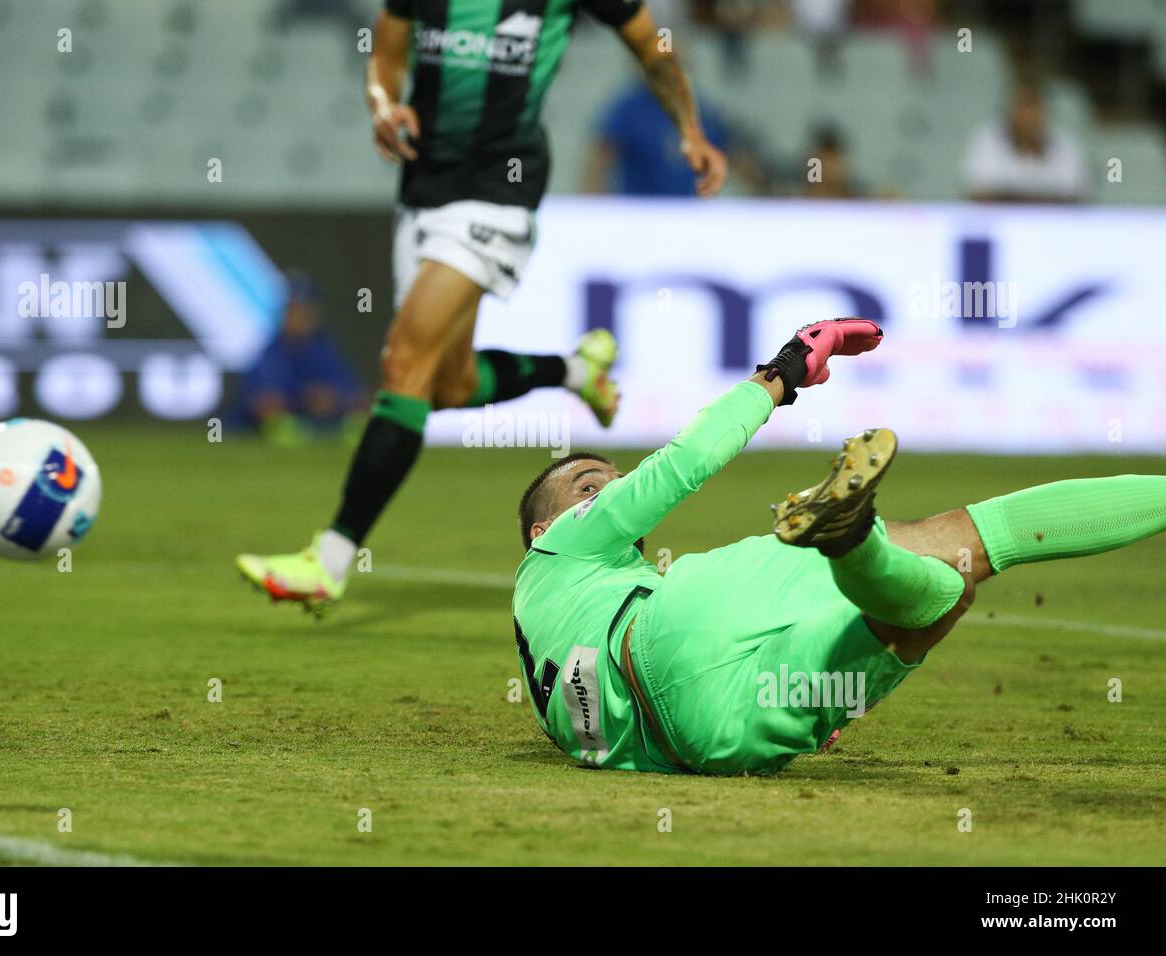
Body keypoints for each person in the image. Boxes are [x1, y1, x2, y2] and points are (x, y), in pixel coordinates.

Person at [237, 0, 729, 613]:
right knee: (444, 383)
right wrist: (383, 105)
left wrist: (688, 128)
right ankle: (579, 372)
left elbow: (652, 49)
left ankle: (329, 561)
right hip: (422, 190)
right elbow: (387, 53)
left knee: (403, 365)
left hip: (498, 190)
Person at [512, 318, 1166, 774]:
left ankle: (855, 545)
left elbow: (587, 723)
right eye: (587, 483)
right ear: (542, 530)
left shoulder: (546, 638)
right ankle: (851, 542)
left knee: (940, 601)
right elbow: (685, 462)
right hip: (667, 629)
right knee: (955, 545)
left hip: (710, 743)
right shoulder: (557, 550)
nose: (610, 489)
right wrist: (781, 373)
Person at [234, 271, 363, 447]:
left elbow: (355, 395)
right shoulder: (273, 352)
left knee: (360, 419)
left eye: (307, 309)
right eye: (295, 309)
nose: (302, 316)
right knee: (277, 421)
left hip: (323, 424)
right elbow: (260, 401)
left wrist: (333, 398)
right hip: (282, 427)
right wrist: (299, 400)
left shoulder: (324, 348)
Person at [584, 80, 766, 196]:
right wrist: (594, 206)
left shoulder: (699, 108)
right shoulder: (629, 108)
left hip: (686, 217)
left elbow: (731, 153)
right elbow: (600, 158)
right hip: (640, 215)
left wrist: (765, 192)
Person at [963, 80, 1089, 203]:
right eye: (1023, 105)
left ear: (1046, 110)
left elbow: (1076, 200)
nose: (1029, 114)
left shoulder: (1066, 146)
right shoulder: (987, 141)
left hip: (1054, 224)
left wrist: (1011, 198)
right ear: (1010, 110)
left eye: (1034, 106)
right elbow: (980, 196)